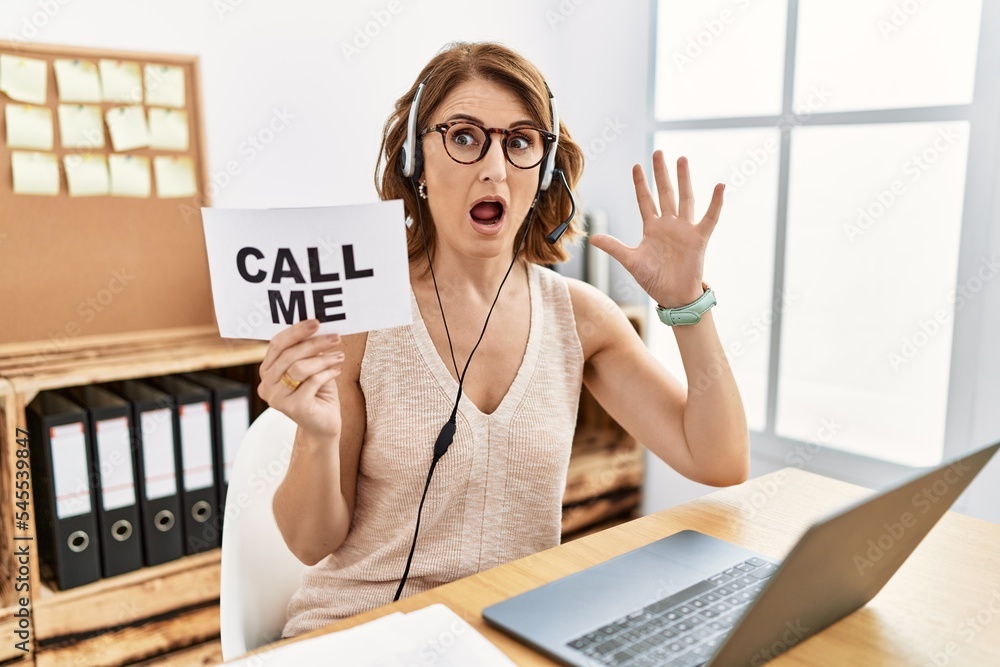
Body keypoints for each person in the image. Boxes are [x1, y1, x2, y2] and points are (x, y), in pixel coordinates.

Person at [258, 41, 750, 638]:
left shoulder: (580, 319)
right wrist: (317, 435)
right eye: (464, 137)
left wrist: (687, 305)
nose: (494, 168)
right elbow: (311, 544)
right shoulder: (364, 315)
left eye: (519, 142)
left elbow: (719, 460)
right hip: (361, 631)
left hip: (509, 633)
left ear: (544, 170)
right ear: (416, 160)